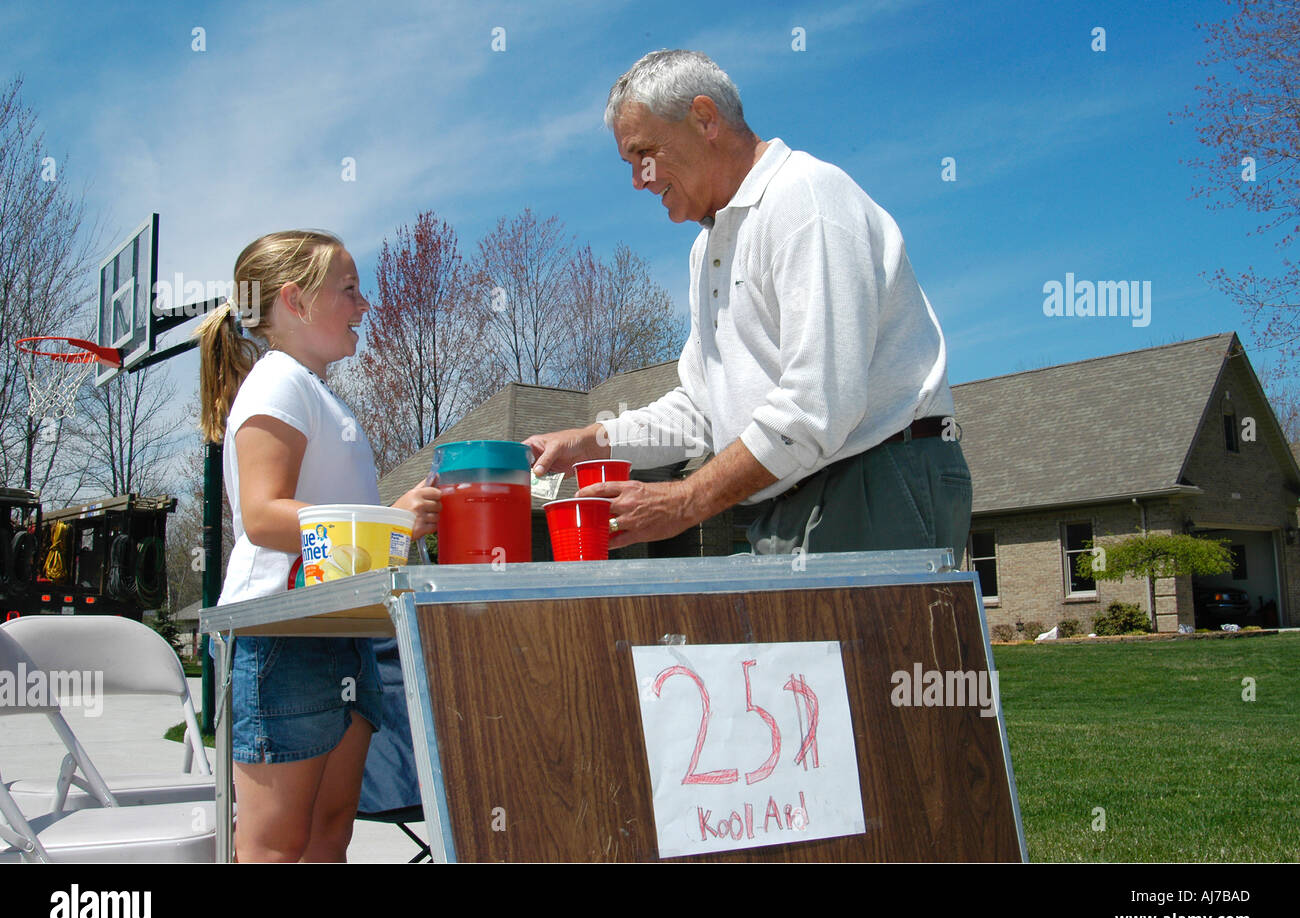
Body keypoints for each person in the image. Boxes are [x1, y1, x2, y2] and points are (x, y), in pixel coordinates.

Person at [526, 50, 971, 562]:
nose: (639, 180)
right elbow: (702, 410)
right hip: (793, 497)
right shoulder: (709, 247)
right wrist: (588, 442)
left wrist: (685, 501)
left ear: (705, 118)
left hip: (874, 486)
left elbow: (817, 406)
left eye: (643, 154)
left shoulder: (805, 200)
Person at [195, 230, 440, 862]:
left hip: (341, 633)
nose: (365, 305)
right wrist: (389, 519)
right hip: (287, 637)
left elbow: (330, 529)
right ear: (294, 302)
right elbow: (263, 515)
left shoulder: (315, 392)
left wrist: (394, 523)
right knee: (277, 846)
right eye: (349, 290)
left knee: (331, 834)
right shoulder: (278, 384)